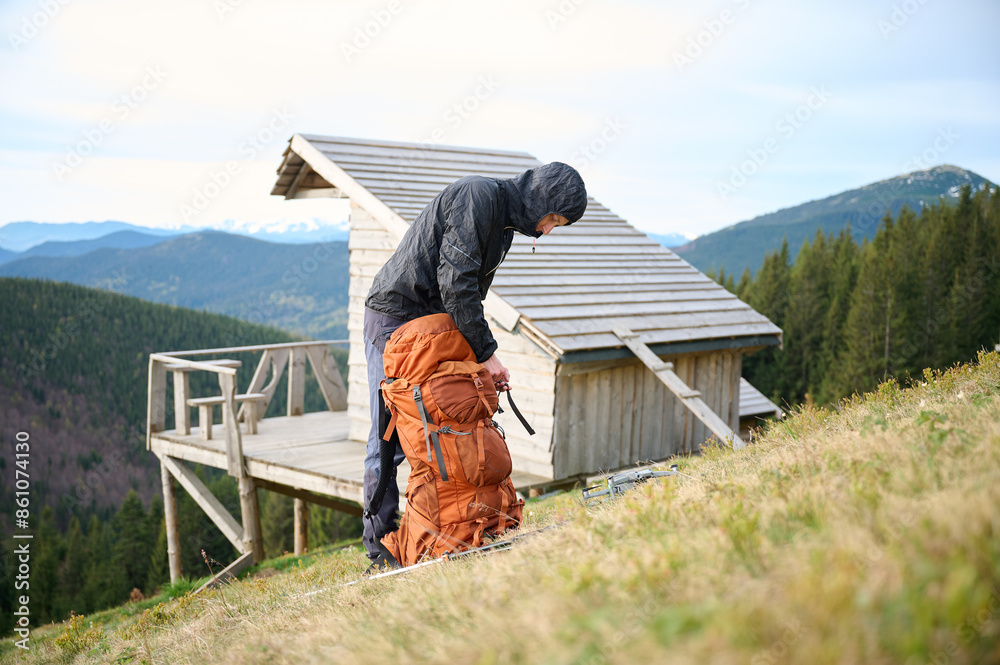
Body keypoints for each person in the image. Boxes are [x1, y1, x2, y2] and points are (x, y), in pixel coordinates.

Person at [361, 161, 588, 563]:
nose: (548, 231)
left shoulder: (504, 227)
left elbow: (467, 298)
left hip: (438, 326)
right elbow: (457, 284)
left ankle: (440, 531)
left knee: (443, 425)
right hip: (397, 317)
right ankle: (379, 548)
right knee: (392, 434)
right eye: (553, 219)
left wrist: (478, 361)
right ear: (540, 198)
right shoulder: (478, 196)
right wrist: (486, 354)